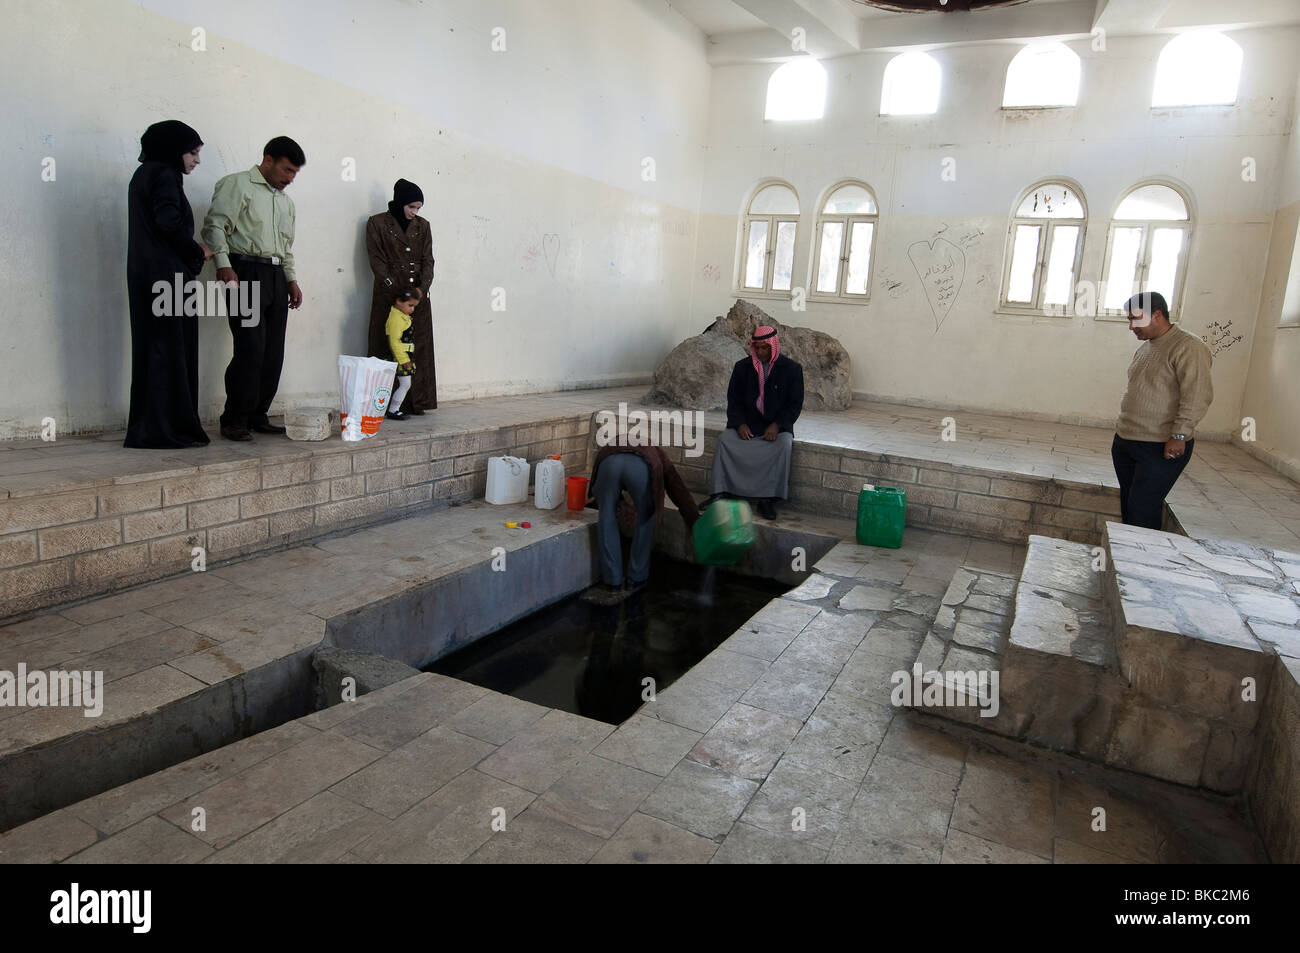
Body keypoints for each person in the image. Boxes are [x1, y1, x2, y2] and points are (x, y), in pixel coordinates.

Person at [201, 136, 306, 441]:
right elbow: (215, 226)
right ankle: (234, 418)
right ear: (268, 160)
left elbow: (286, 246)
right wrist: (223, 264)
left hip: (275, 275)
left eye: (295, 173)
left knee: (273, 351)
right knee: (250, 348)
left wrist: (291, 279)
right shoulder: (236, 185)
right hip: (243, 270)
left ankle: (258, 414)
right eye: (287, 170)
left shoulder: (286, 203)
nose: (290, 179)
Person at [124, 120, 212, 449]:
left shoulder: (145, 174)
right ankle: (168, 429)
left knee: (156, 350)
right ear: (174, 150)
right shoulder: (164, 174)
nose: (196, 160)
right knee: (171, 350)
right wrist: (198, 250)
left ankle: (153, 427)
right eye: (192, 152)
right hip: (167, 279)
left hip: (149, 276)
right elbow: (168, 223)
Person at [1112, 291, 1213, 530]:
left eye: (1135, 319)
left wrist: (1179, 435)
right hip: (1128, 440)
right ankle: (1127, 559)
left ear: (1156, 315)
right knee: (1130, 505)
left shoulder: (1188, 347)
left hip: (1159, 445)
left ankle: (1143, 562)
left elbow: (1196, 396)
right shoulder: (1147, 347)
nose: (1130, 326)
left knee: (1142, 507)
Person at [707, 325, 804, 520]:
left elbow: (794, 404)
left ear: (773, 346)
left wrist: (777, 424)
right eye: (756, 347)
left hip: (776, 425)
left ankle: (767, 499)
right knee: (726, 440)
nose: (760, 352)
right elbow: (733, 401)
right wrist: (740, 424)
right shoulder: (742, 367)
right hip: (748, 424)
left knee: (783, 445)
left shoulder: (792, 369)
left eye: (764, 348)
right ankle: (720, 493)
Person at [585, 443, 701, 602]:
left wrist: (608, 500)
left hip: (608, 464)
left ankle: (612, 582)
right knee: (646, 517)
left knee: (606, 516)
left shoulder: (613, 445)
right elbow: (678, 490)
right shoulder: (658, 455)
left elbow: (596, 481)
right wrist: (695, 521)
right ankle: (636, 578)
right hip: (638, 470)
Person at [366, 179, 436, 414]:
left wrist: (420, 291)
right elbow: (376, 260)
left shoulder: (423, 226)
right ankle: (381, 404)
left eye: (418, 208)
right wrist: (395, 291)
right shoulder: (377, 224)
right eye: (411, 207)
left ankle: (416, 402)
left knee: (418, 349)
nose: (414, 213)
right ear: (400, 203)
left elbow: (428, 260)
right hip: (389, 298)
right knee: (385, 346)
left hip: (418, 300)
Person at [383, 287, 421, 421]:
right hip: (398, 357)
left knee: (404, 384)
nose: (412, 309)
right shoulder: (396, 319)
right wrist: (404, 360)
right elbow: (394, 341)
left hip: (401, 355)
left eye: (414, 306)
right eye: (410, 305)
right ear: (399, 301)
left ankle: (393, 409)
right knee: (404, 384)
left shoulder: (402, 317)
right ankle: (393, 410)